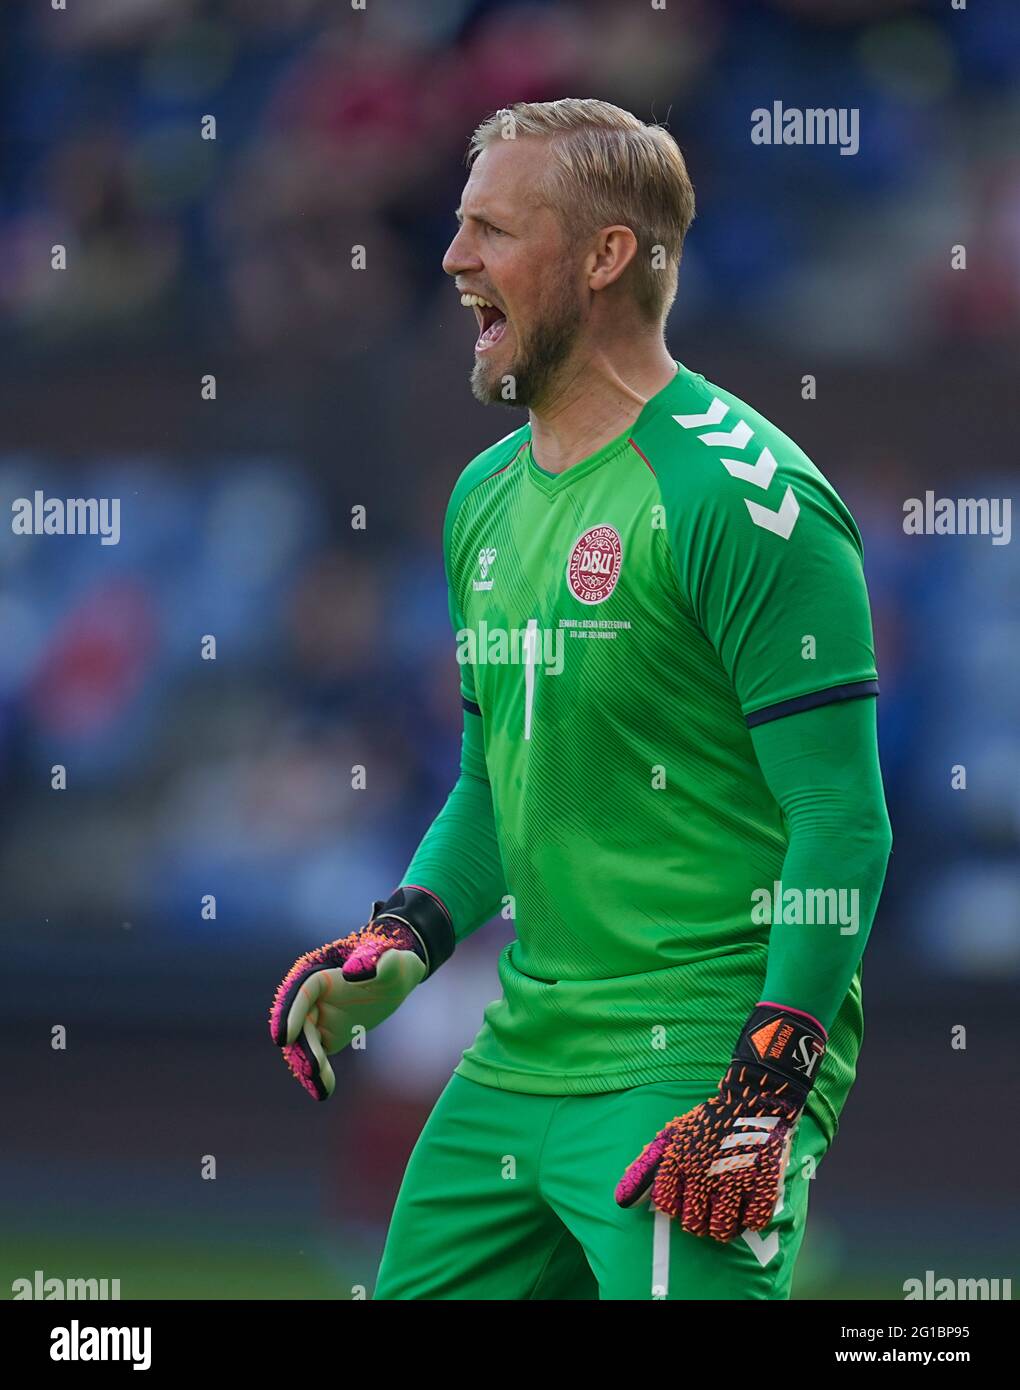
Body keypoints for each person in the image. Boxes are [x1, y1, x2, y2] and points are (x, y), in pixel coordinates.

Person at [270, 98, 892, 1301]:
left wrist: (766, 1088)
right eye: (459, 229)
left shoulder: (746, 496)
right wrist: (403, 943)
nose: (453, 261)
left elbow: (843, 820)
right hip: (522, 1055)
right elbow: (493, 777)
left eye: (492, 231)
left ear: (607, 257)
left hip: (700, 1065)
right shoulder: (482, 498)